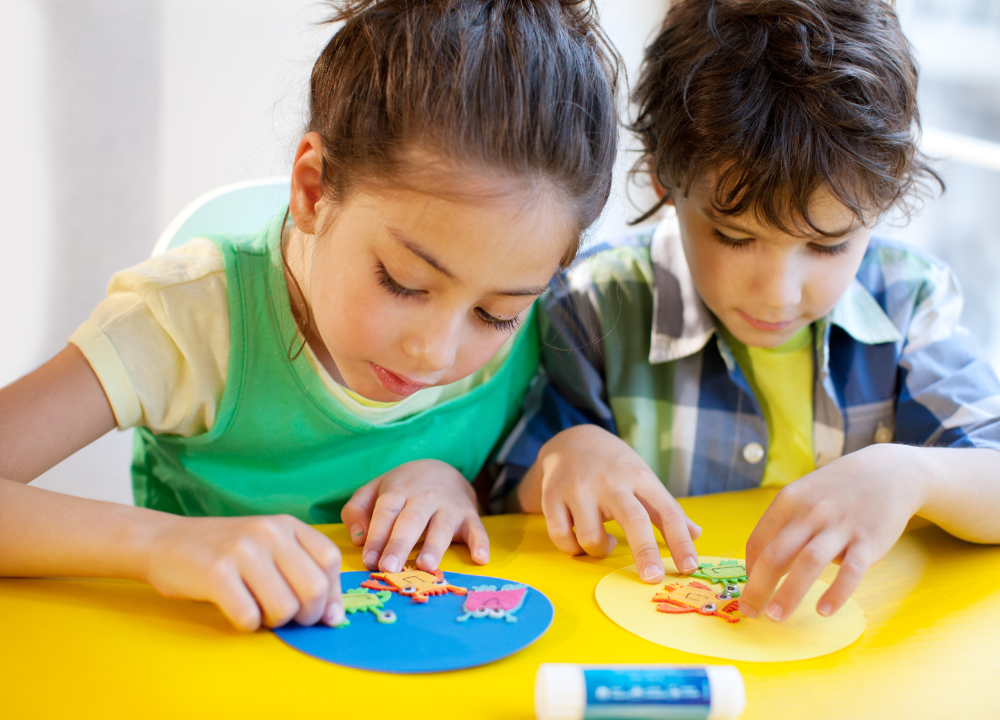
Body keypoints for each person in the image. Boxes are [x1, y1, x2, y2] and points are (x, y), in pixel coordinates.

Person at [0, 0, 619, 632]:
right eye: (403, 283)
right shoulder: (188, 321)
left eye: (496, 314)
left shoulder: (543, 313)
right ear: (313, 190)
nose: (435, 353)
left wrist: (461, 487)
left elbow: (503, 484)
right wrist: (158, 544)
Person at [500, 0, 1000, 623]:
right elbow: (502, 494)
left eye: (827, 244)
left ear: (881, 203)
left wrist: (912, 473)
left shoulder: (908, 302)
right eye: (735, 238)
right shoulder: (596, 304)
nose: (778, 293)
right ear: (664, 179)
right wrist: (561, 455)